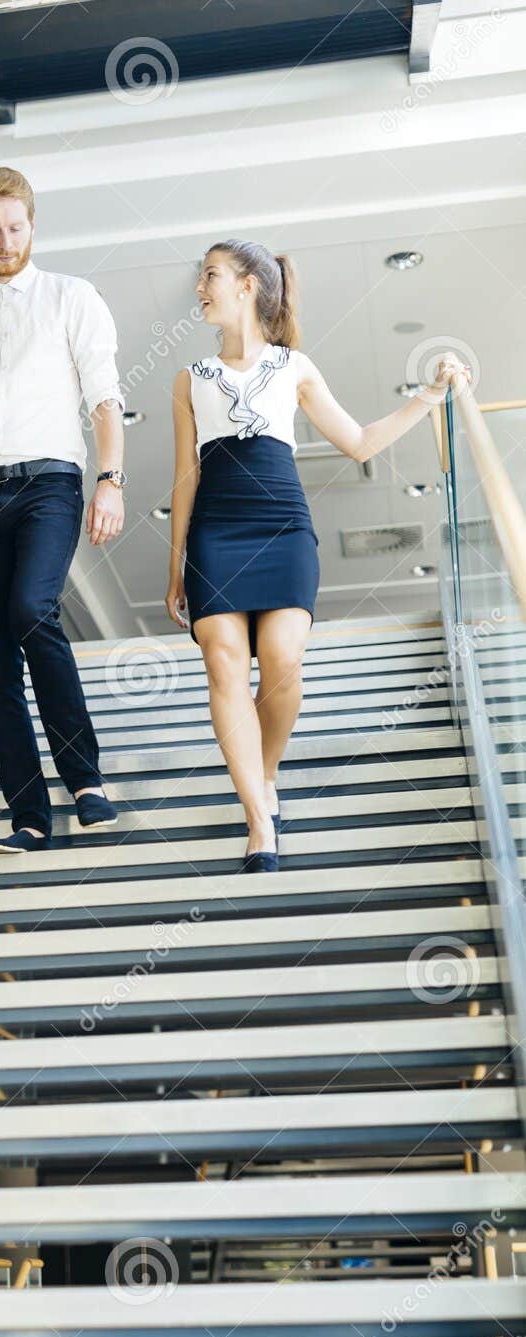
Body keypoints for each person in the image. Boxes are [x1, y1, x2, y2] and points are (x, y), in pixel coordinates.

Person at [167, 238, 471, 871]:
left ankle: (265, 773)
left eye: (211, 276)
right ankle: (259, 821)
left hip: (282, 530)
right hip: (216, 536)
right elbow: (185, 477)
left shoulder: (293, 367)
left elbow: (359, 443)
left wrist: (430, 396)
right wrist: (176, 568)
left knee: (280, 663)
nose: (201, 287)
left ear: (247, 285)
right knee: (225, 666)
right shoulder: (189, 379)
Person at [0, 165, 126, 854]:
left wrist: (110, 478)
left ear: (31, 224)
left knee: (31, 610)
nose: (5, 241)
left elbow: (102, 395)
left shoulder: (72, 297)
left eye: (15, 228)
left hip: (48, 485)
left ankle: (84, 778)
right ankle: (28, 816)